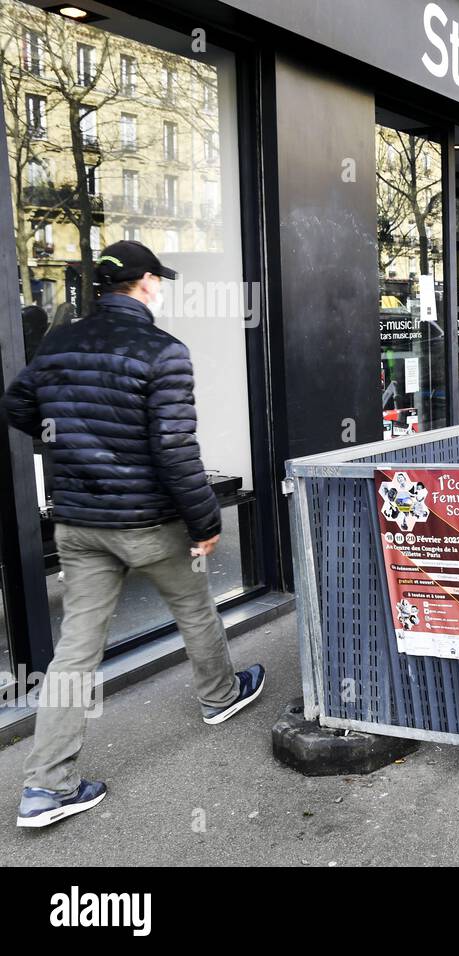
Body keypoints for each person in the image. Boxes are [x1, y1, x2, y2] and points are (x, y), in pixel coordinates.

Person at [2, 240, 266, 829]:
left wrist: (67, 437)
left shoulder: (58, 342)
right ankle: (220, 696)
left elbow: (18, 405)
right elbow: (174, 449)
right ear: (145, 282)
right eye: (160, 279)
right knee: (194, 608)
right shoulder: (161, 351)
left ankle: (46, 787)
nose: (163, 288)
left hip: (79, 524)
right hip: (149, 521)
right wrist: (204, 521)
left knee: (73, 651)